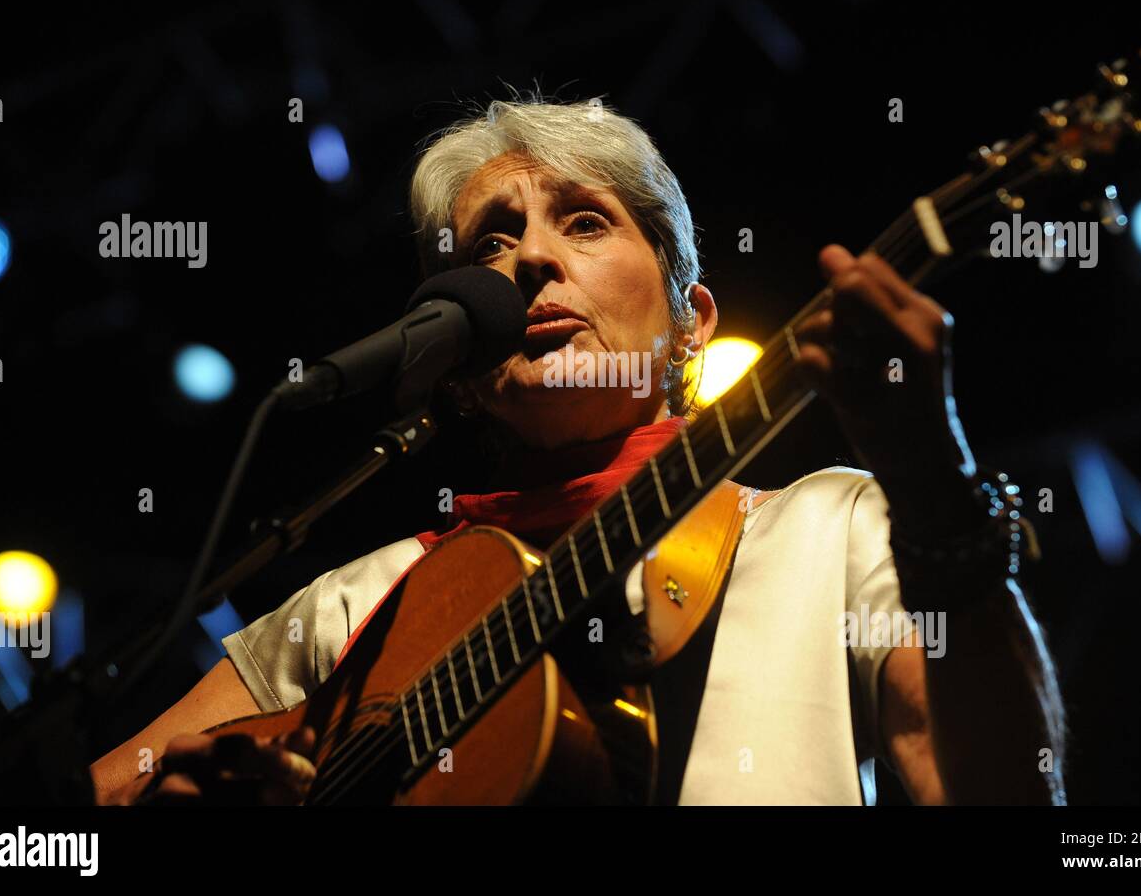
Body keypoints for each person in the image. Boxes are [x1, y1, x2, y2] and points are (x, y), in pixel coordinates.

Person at [90, 95, 1066, 805]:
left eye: (585, 220)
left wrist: (935, 483)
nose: (533, 260)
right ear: (461, 367)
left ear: (692, 324)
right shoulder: (357, 607)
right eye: (491, 247)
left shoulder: (830, 529)